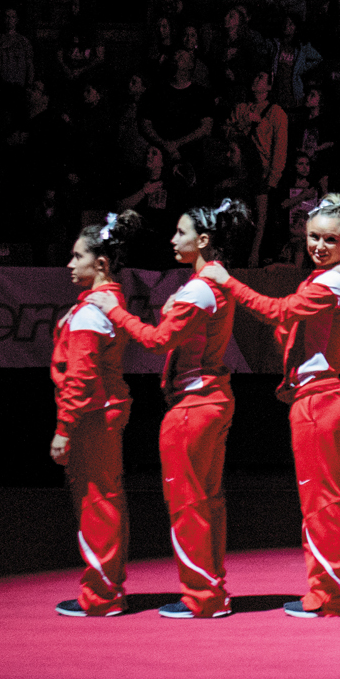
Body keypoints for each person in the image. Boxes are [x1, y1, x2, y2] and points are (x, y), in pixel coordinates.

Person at [205, 195, 340, 617]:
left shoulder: (332, 281)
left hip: (319, 399)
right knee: (318, 503)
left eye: (331, 239)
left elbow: (275, 310)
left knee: (321, 504)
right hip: (313, 397)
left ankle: (328, 595)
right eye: (314, 237)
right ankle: (327, 591)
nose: (319, 246)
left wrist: (228, 282)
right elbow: (287, 323)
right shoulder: (321, 278)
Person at [101, 200, 251, 619]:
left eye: (180, 232)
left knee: (189, 504)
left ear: (203, 241)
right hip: (212, 398)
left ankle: (202, 597)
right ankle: (211, 591)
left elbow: (155, 341)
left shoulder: (200, 289)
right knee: (209, 500)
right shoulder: (211, 285)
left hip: (193, 404)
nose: (172, 239)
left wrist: (115, 311)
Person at [49, 212, 140, 616]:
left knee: (96, 503)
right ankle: (107, 589)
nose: (69, 265)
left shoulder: (91, 312)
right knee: (106, 500)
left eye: (76, 257)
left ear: (100, 263)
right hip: (104, 412)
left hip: (91, 417)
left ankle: (101, 596)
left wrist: (64, 429)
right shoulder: (109, 301)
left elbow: (80, 378)